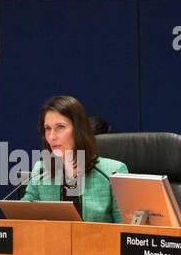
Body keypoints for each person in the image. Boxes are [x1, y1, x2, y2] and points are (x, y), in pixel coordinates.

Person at [22, 95, 127, 223]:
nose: (51, 136)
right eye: (47, 128)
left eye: (60, 127)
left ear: (78, 130)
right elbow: (22, 218)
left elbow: (125, 231)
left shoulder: (113, 171)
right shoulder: (41, 170)